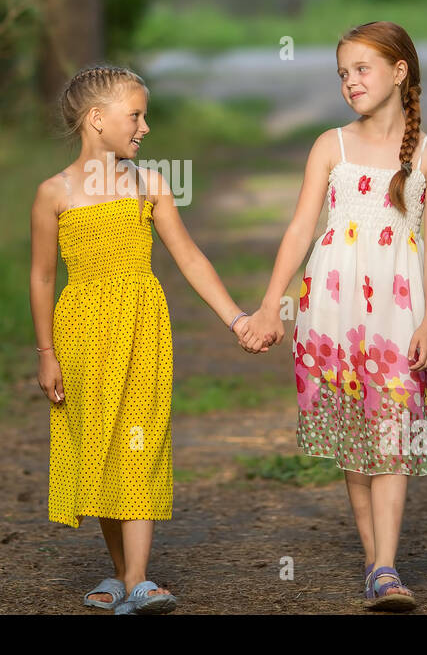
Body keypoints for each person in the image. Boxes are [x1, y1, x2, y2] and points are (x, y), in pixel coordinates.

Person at [28, 64, 272, 614]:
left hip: (143, 330)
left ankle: (138, 578)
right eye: (135, 115)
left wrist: (237, 319)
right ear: (97, 120)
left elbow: (188, 256)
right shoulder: (53, 194)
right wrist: (46, 354)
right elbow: (42, 276)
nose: (144, 127)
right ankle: (120, 574)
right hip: (82, 336)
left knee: (139, 444)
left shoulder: (149, 184)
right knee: (101, 449)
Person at [244, 21, 427, 612]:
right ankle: (373, 560)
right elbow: (300, 228)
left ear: (399, 71)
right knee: (358, 439)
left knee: (391, 431)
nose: (350, 82)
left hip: (399, 310)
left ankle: (386, 566)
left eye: (362, 69)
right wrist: (269, 302)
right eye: (342, 73)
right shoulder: (330, 146)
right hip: (333, 313)